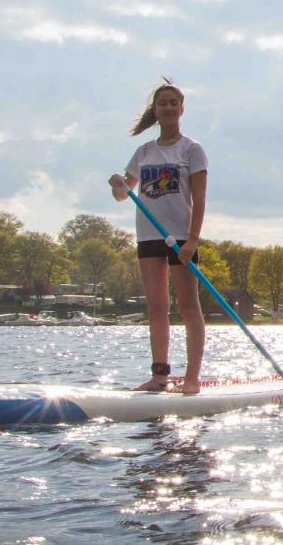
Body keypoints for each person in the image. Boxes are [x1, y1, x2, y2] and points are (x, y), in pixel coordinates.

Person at [109, 80, 208, 393]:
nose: (167, 108)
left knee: (189, 307)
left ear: (181, 109)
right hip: (149, 236)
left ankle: (192, 379)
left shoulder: (192, 149)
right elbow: (123, 195)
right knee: (156, 308)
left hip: (180, 237)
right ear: (155, 110)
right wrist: (117, 184)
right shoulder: (144, 152)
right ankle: (160, 376)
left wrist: (192, 241)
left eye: (172, 103)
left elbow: (200, 197)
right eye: (162, 103)